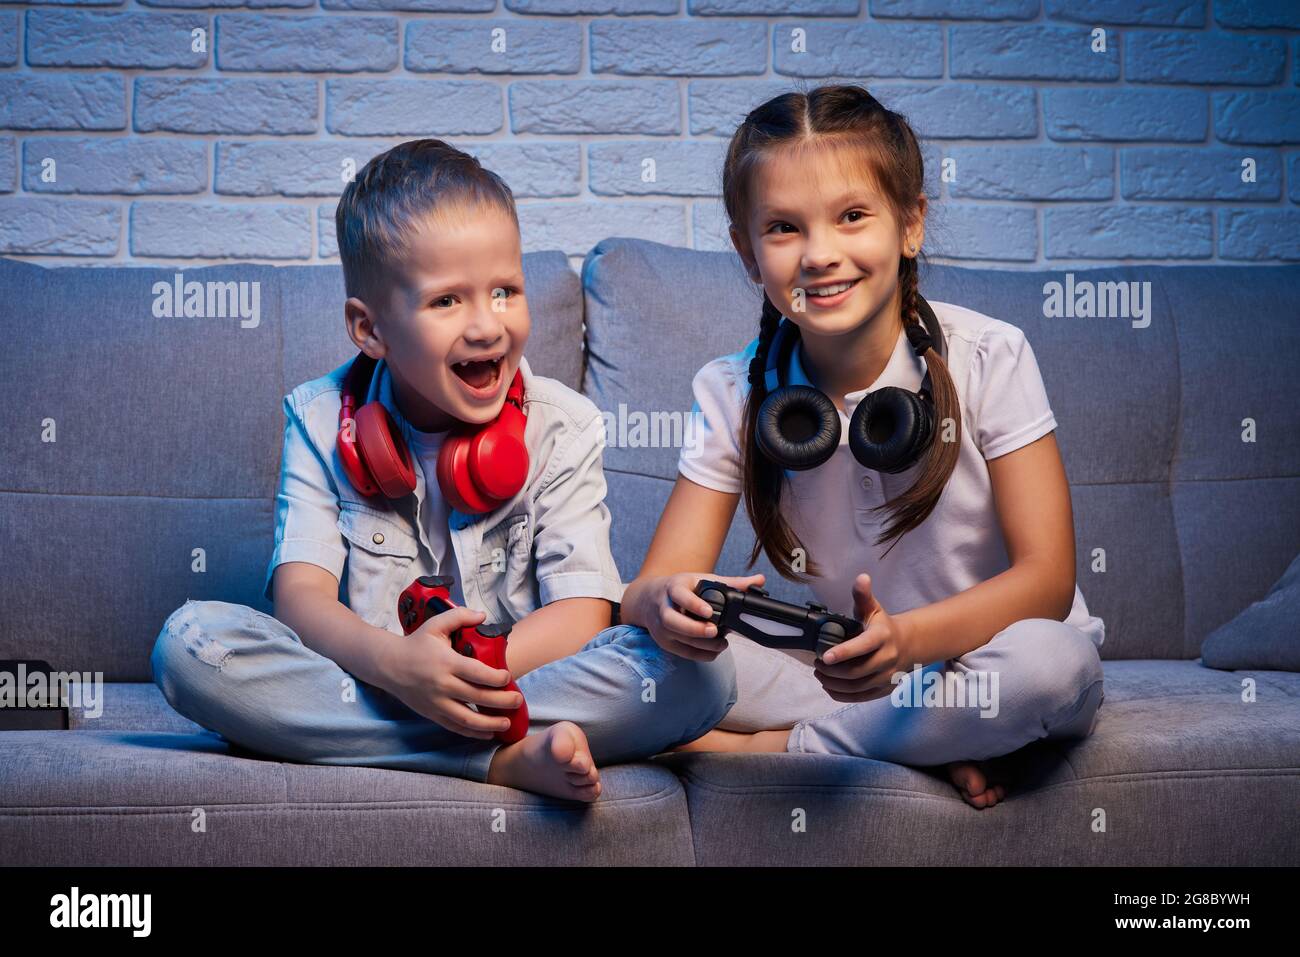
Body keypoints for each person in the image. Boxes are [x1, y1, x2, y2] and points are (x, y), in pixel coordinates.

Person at [150, 139, 736, 803]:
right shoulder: (315, 419)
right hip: (374, 680)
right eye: (447, 301)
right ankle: (498, 759)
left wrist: (464, 679)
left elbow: (581, 612)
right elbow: (301, 600)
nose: (486, 325)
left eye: (505, 291)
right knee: (189, 646)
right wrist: (399, 667)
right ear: (369, 329)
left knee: (701, 678)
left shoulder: (563, 424)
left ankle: (408, 743)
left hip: (518, 677)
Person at [618, 85, 1106, 810]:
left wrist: (905, 641)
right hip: (846, 665)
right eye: (783, 227)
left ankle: (788, 748)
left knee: (1050, 666)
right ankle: (926, 744)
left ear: (911, 224)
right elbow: (643, 593)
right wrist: (665, 603)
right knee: (625, 658)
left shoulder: (992, 355)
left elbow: (1047, 581)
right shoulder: (731, 389)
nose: (820, 255)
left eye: (852, 217)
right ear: (747, 254)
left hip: (987, 660)